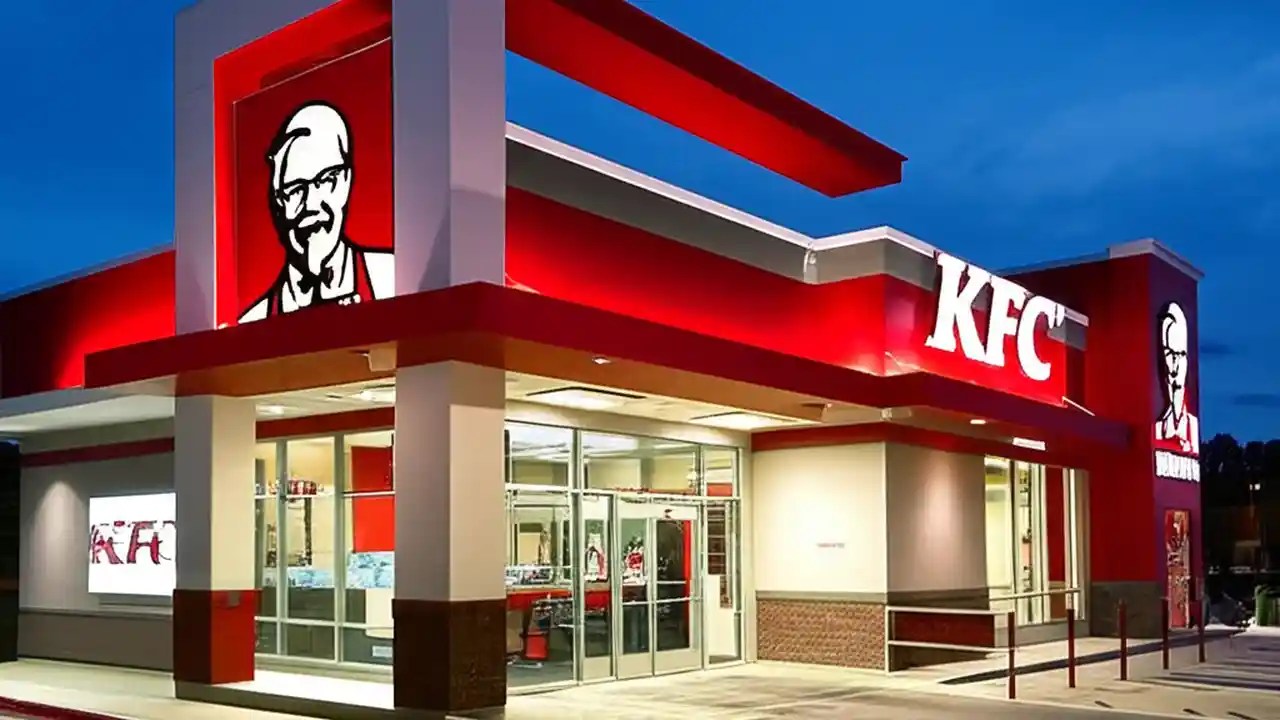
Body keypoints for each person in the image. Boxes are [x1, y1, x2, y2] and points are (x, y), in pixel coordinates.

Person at [239, 102, 392, 323]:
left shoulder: (389, 278)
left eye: (326, 179)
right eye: (295, 189)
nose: (311, 204)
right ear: (279, 201)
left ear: (346, 181)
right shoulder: (251, 324)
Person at [1154, 301, 1199, 455]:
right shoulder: (1159, 427)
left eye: (1180, 355)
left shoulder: (1192, 427)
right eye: (1169, 354)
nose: (1174, 368)